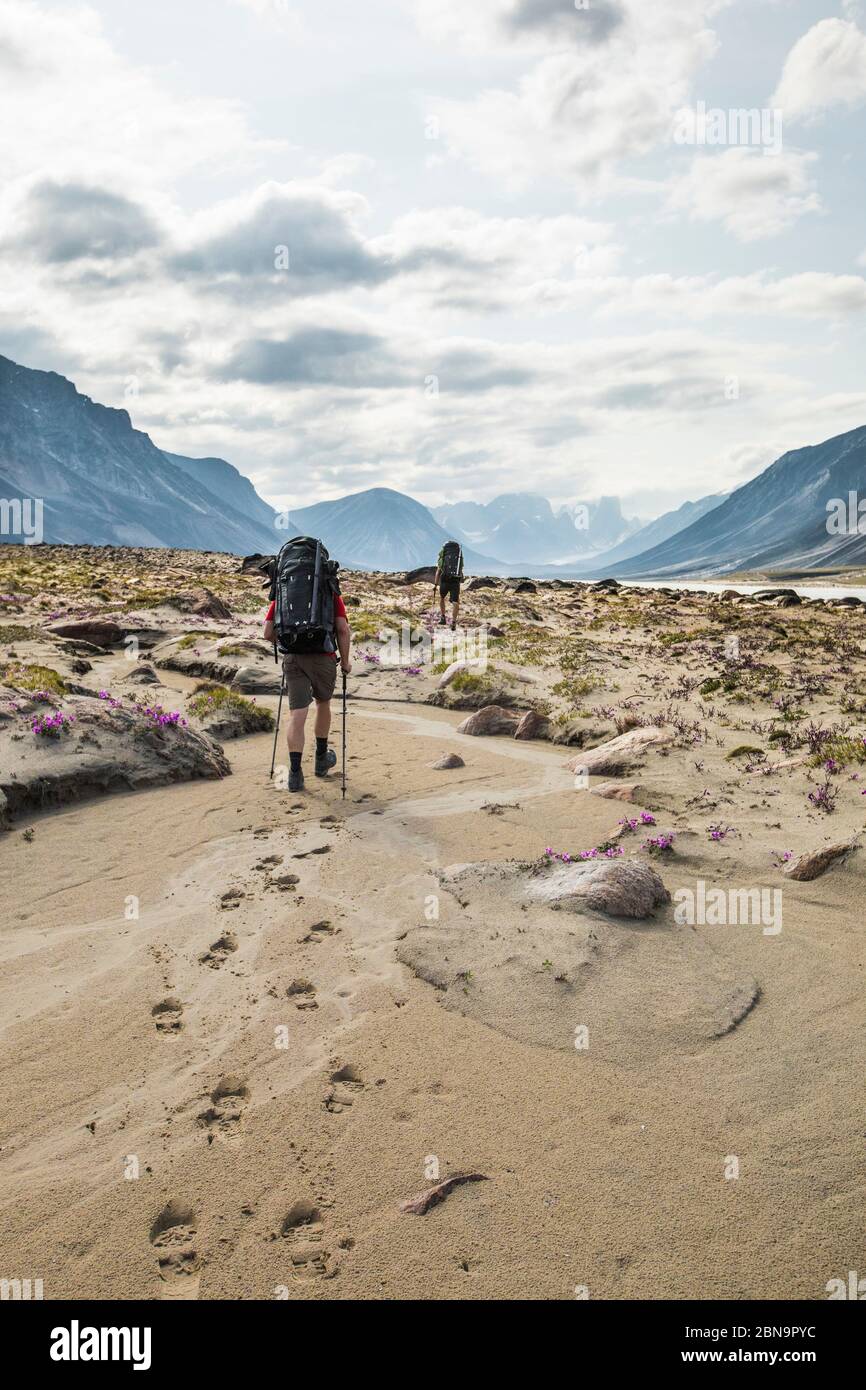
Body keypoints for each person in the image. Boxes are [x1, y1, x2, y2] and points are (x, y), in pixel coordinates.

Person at [263, 589, 352, 792]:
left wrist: (289, 643)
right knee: (323, 703)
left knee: (297, 713)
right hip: (323, 657)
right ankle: (321, 759)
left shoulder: (284, 589)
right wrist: (345, 662)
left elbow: (268, 632)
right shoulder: (329, 591)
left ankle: (295, 774)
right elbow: (343, 629)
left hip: (293, 658)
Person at [433, 540, 463, 630]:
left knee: (442, 598)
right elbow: (461, 571)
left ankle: (443, 618)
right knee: (455, 602)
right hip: (455, 581)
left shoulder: (443, 557)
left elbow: (438, 571)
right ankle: (453, 622)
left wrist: (435, 584)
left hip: (445, 579)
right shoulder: (459, 558)